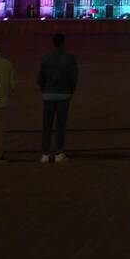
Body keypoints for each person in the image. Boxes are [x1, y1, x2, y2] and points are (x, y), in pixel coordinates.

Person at [37, 33, 79, 163]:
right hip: (64, 94)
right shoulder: (70, 57)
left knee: (47, 124)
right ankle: (59, 152)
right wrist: (71, 89)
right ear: (63, 42)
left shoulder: (45, 57)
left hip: (49, 93)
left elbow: (40, 77)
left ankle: (45, 153)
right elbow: (74, 77)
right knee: (61, 124)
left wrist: (44, 89)